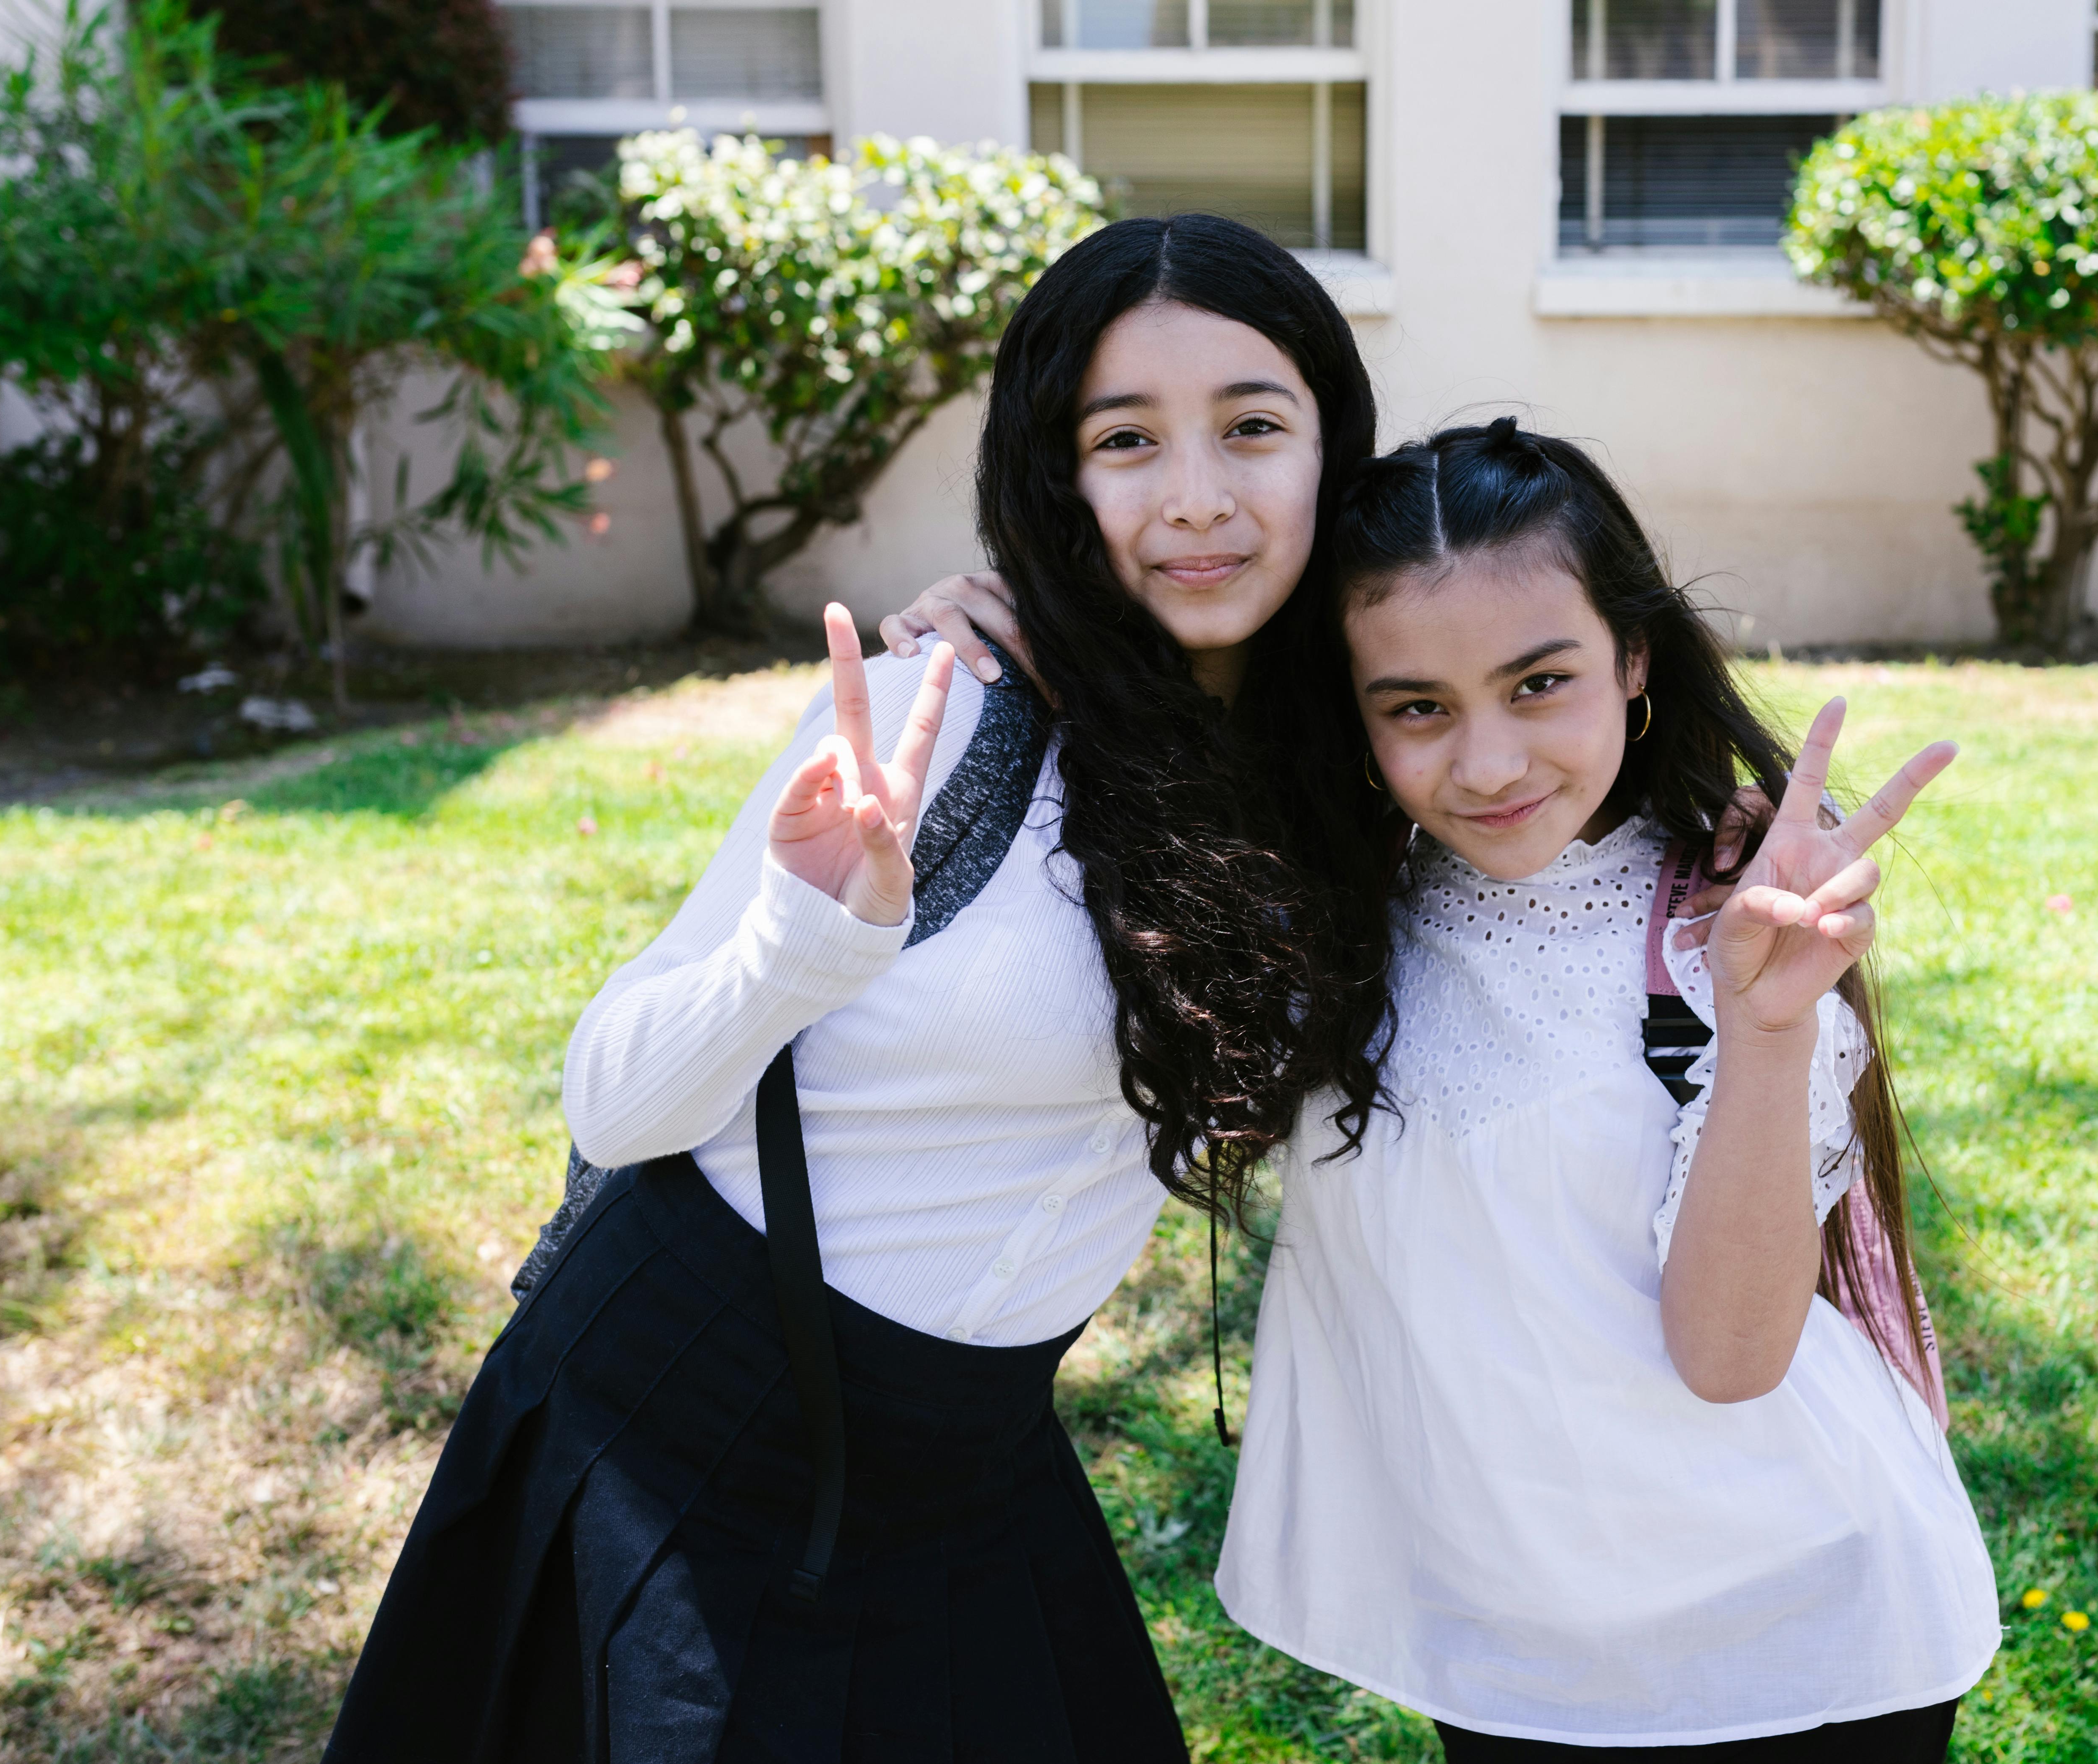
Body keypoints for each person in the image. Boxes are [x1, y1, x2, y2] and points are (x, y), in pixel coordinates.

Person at [322, 211, 1395, 1764]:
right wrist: (803, 946)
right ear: (1052, 470)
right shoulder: (939, 715)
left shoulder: (1339, 771)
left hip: (970, 1467)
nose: (1198, 498)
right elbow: (613, 1098)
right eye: (1125, 440)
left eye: (1252, 427)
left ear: (1330, 445)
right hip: (687, 1425)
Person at [1214, 419, 2002, 1759]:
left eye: (1539, 683)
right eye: (1418, 705)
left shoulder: (1721, 922)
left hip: (1800, 1632)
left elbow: (1731, 1354)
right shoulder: (1338, 921)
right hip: (1519, 1654)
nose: (1489, 764)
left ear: (1632, 659)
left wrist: (1765, 1029)